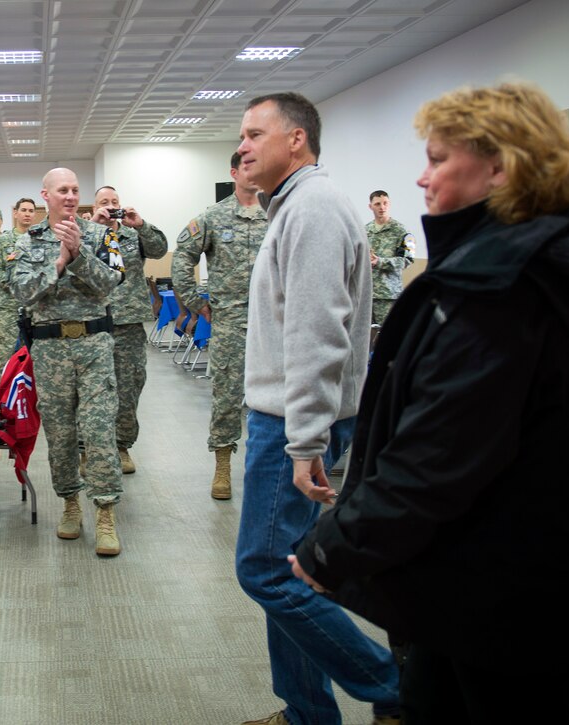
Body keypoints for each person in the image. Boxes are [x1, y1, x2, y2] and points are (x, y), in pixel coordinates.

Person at [290, 82, 569, 724]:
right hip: (510, 571)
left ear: (502, 167)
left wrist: (335, 546)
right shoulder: (562, 255)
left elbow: (438, 456)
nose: (421, 176)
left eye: (438, 159)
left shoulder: (499, 289)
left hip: (493, 585)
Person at [232, 92, 399, 725]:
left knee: (266, 572)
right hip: (286, 417)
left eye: (254, 133)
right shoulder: (297, 206)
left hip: (291, 424)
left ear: (295, 139)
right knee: (291, 569)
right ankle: (305, 711)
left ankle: (394, 692)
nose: (242, 146)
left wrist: (304, 441)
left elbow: (317, 333)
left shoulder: (316, 209)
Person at [10, 168, 125, 557]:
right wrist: (58, 261)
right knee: (59, 434)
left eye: (76, 190)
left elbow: (111, 283)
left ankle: (105, 512)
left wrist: (79, 256)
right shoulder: (28, 242)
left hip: (94, 343)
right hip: (50, 349)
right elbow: (23, 290)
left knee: (98, 430)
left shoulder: (100, 235)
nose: (72, 196)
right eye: (64, 190)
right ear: (46, 195)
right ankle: (71, 505)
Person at [172, 152, 268, 499]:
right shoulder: (213, 217)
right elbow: (183, 255)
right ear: (234, 172)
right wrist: (196, 303)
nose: (254, 172)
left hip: (273, 322)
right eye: (247, 166)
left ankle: (265, 464)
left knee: (274, 398)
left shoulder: (277, 214)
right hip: (230, 322)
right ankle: (223, 465)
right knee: (227, 394)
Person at [91, 185, 166, 474]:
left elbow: (159, 248)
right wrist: (92, 227)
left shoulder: (133, 235)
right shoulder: (86, 232)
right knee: (92, 390)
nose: (110, 206)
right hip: (94, 321)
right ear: (95, 206)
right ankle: (91, 448)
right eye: (104, 202)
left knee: (129, 385)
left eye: (114, 202)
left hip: (129, 323)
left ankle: (122, 445)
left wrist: (142, 224)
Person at [0, 197, 37, 387]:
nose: (27, 214)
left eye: (31, 211)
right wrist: (14, 285)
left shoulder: (40, 239)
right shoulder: (3, 241)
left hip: (35, 307)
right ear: (15, 213)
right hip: (9, 306)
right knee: (3, 352)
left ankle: (29, 399)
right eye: (23, 210)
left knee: (33, 354)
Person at [365, 191, 415, 325]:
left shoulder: (402, 231)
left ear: (389, 204)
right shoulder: (365, 230)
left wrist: (380, 262)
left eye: (385, 203)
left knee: (387, 338)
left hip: (388, 295)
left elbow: (408, 260)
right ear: (370, 207)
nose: (382, 207)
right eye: (377, 204)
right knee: (364, 339)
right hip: (367, 295)